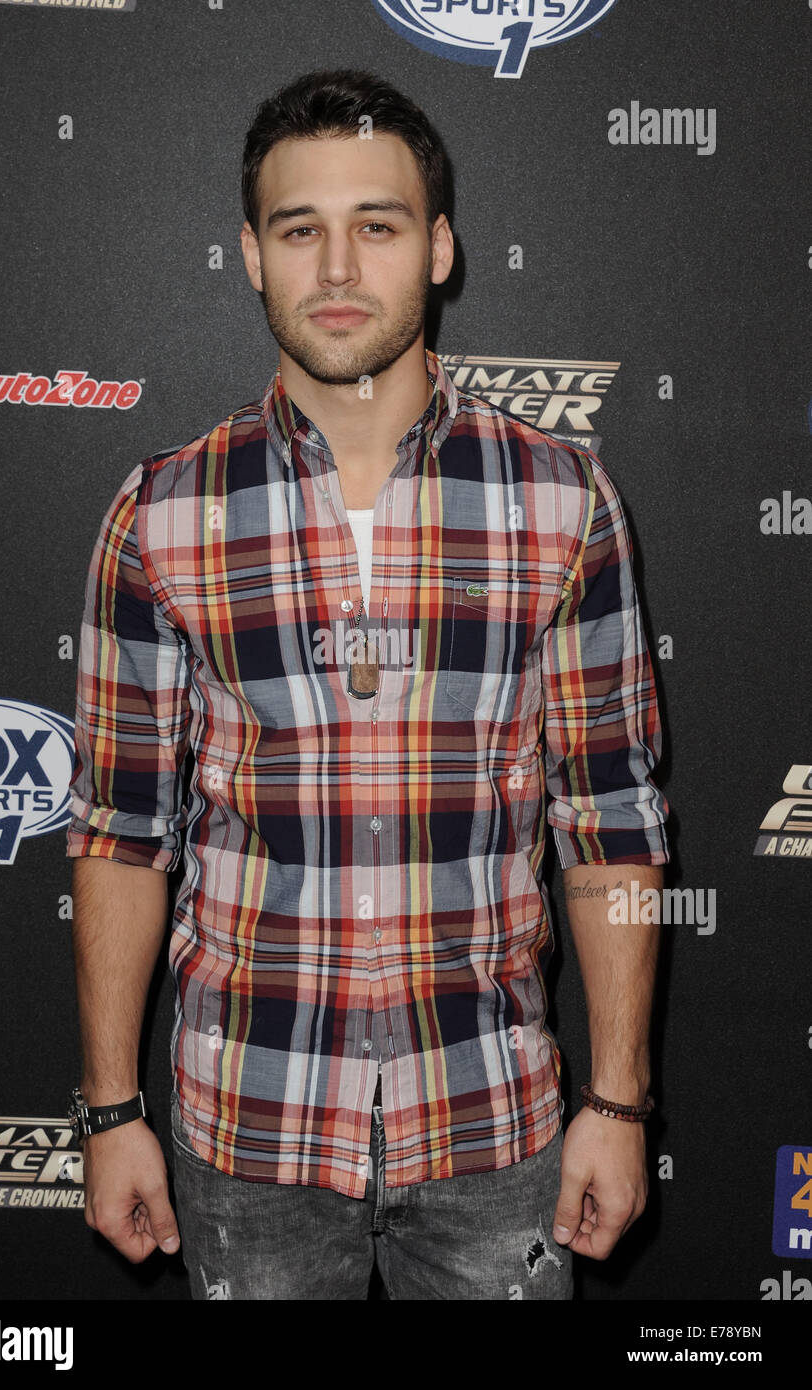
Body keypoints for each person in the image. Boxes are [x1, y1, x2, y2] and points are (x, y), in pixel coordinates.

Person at [65, 68, 670, 1301]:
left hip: (498, 1122)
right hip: (245, 1134)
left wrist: (616, 1097)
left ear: (439, 247)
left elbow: (612, 826)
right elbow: (121, 838)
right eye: (300, 229)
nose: (337, 268)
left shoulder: (561, 501)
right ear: (249, 253)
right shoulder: (162, 514)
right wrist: (110, 1109)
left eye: (376, 225)